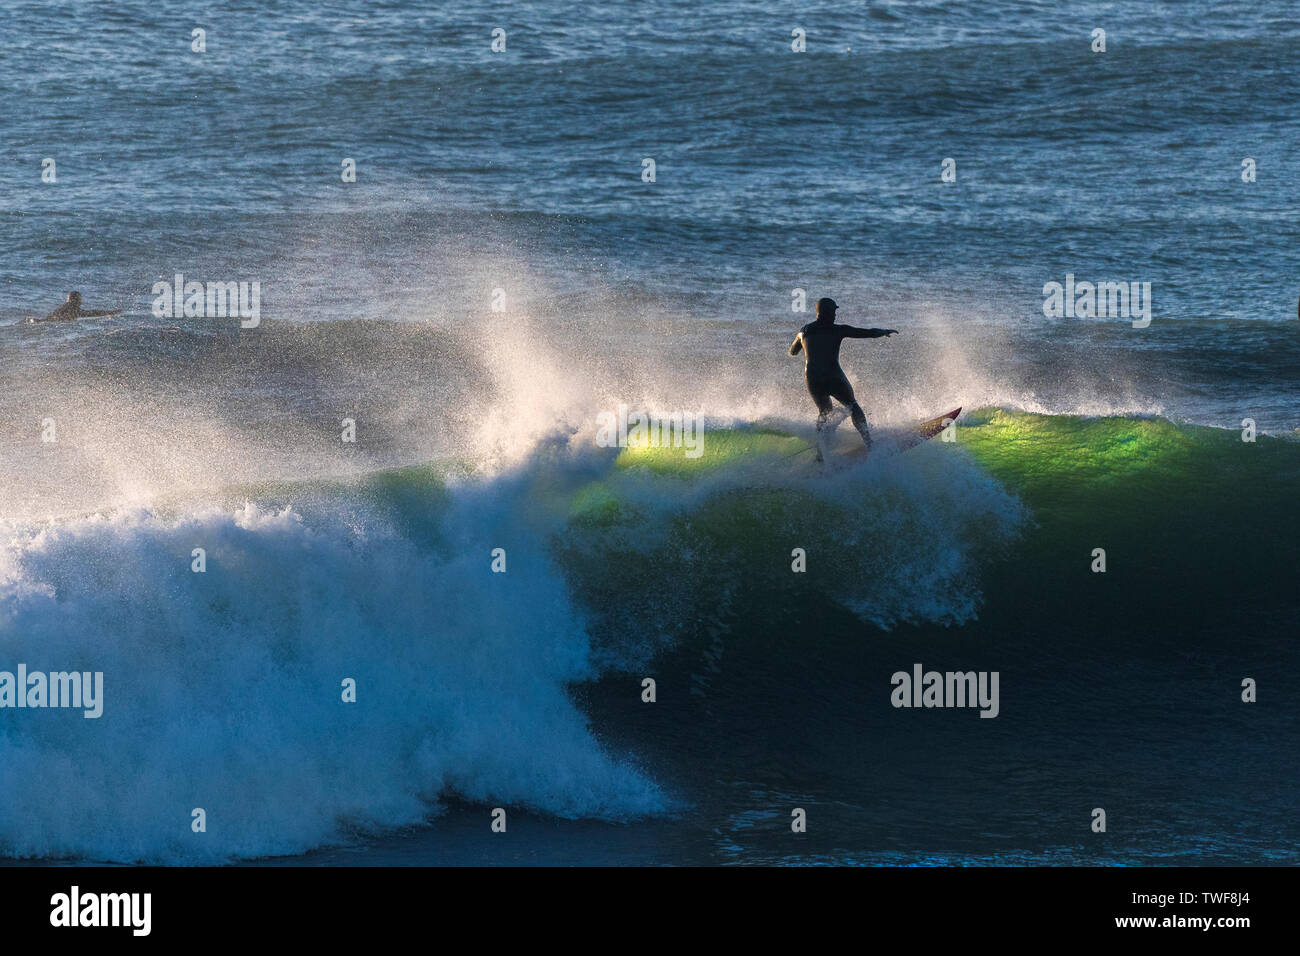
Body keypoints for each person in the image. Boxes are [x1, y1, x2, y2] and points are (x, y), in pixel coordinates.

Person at [789, 297, 896, 460]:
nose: (835, 315)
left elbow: (792, 352)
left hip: (813, 379)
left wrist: (805, 347)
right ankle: (869, 443)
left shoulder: (804, 331)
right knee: (853, 406)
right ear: (827, 312)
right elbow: (865, 333)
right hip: (833, 376)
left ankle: (821, 454)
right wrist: (883, 331)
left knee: (824, 412)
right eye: (833, 312)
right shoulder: (837, 330)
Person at [35, 291, 121, 322]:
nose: (81, 302)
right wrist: (110, 312)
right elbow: (91, 313)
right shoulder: (72, 308)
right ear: (76, 300)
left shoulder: (64, 307)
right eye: (80, 299)